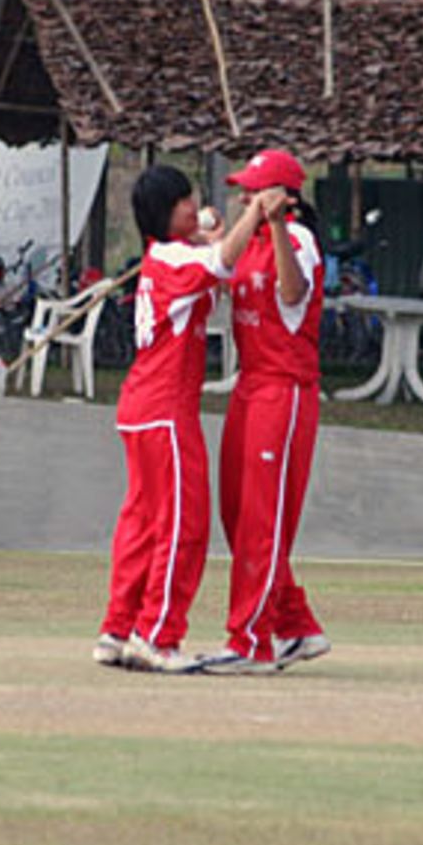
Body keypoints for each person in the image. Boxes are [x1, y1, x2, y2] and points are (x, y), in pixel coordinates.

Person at [94, 164, 281, 673]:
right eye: (184, 201)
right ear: (164, 211)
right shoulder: (173, 258)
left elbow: (213, 268)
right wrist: (256, 211)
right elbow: (222, 264)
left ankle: (118, 628)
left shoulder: (168, 256)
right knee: (185, 525)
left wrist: (208, 236)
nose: (192, 206)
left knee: (142, 525)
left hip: (144, 409)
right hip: (165, 411)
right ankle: (157, 635)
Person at [201, 149, 331, 674]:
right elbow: (221, 271)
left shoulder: (297, 239)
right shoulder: (250, 239)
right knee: (236, 512)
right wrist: (224, 234)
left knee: (263, 517)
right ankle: (296, 625)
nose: (243, 198)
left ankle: (251, 641)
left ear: (282, 196)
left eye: (253, 191)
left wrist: (274, 223)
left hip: (284, 388)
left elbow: (293, 292)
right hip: (250, 384)